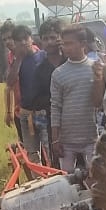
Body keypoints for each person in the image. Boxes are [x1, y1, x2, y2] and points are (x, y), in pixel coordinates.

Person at [50, 23, 98, 173]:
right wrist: (55, 139)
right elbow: (55, 106)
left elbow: (101, 102)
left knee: (94, 177)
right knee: (68, 179)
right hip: (67, 140)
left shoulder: (96, 69)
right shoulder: (58, 74)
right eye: (64, 44)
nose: (65, 48)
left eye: (70, 43)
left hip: (92, 137)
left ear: (83, 44)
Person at [17, 17, 63, 165]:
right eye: (45, 38)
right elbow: (36, 100)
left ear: (60, 39)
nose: (49, 42)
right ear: (41, 41)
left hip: (76, 122)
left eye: (53, 37)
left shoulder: (70, 62)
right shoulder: (40, 70)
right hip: (51, 123)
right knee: (53, 158)